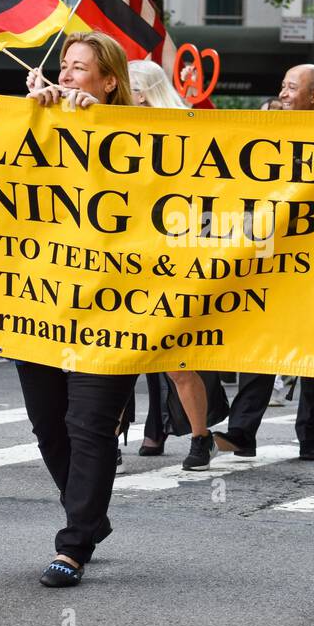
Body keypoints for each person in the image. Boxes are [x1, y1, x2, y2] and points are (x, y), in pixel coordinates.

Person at [19, 31, 141, 587]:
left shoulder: (140, 132)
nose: (66, 77)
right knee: (49, 426)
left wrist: (110, 127)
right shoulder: (41, 125)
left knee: (88, 424)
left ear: (109, 81)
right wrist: (26, 121)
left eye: (79, 68)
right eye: (63, 67)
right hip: (40, 303)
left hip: (114, 308)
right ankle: (89, 514)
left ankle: (72, 546)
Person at [204, 63, 314, 462]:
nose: (282, 93)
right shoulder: (266, 137)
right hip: (268, 257)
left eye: (291, 87)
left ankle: (311, 438)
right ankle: (242, 432)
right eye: (282, 85)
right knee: (259, 344)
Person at [125, 58, 219, 464]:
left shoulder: (185, 131)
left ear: (142, 92)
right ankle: (110, 436)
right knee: (111, 355)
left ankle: (201, 436)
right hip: (122, 256)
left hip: (172, 257)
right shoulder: (112, 128)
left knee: (177, 359)